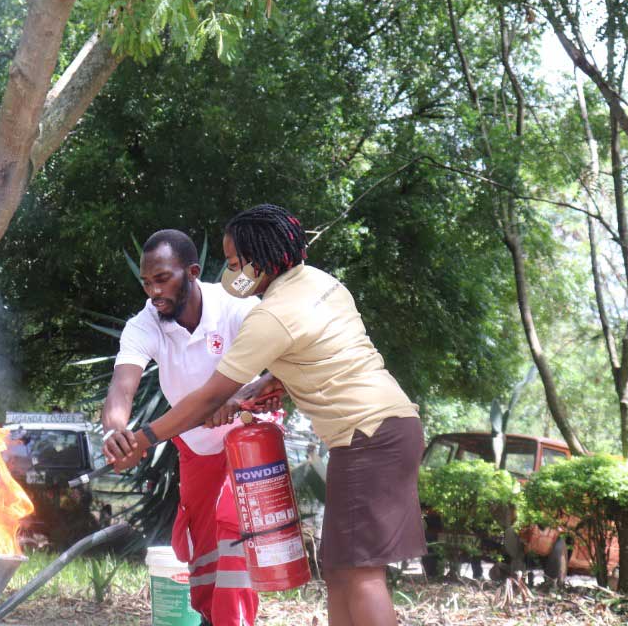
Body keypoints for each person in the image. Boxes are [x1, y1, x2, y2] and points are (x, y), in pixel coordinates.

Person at [105, 205, 425, 626]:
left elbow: (209, 398)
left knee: (360, 572)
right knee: (340, 568)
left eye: (236, 262)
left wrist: (144, 438)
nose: (233, 273)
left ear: (259, 260)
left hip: (366, 435)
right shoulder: (322, 283)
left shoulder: (266, 315)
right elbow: (321, 352)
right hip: (381, 429)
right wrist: (268, 383)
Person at [102, 229, 279, 626]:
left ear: (193, 272)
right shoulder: (145, 324)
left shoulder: (236, 306)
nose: (154, 292)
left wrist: (252, 393)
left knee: (233, 528)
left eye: (162, 279)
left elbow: (282, 362)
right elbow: (122, 387)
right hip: (195, 447)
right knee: (205, 557)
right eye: (147, 283)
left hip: (248, 437)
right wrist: (115, 433)